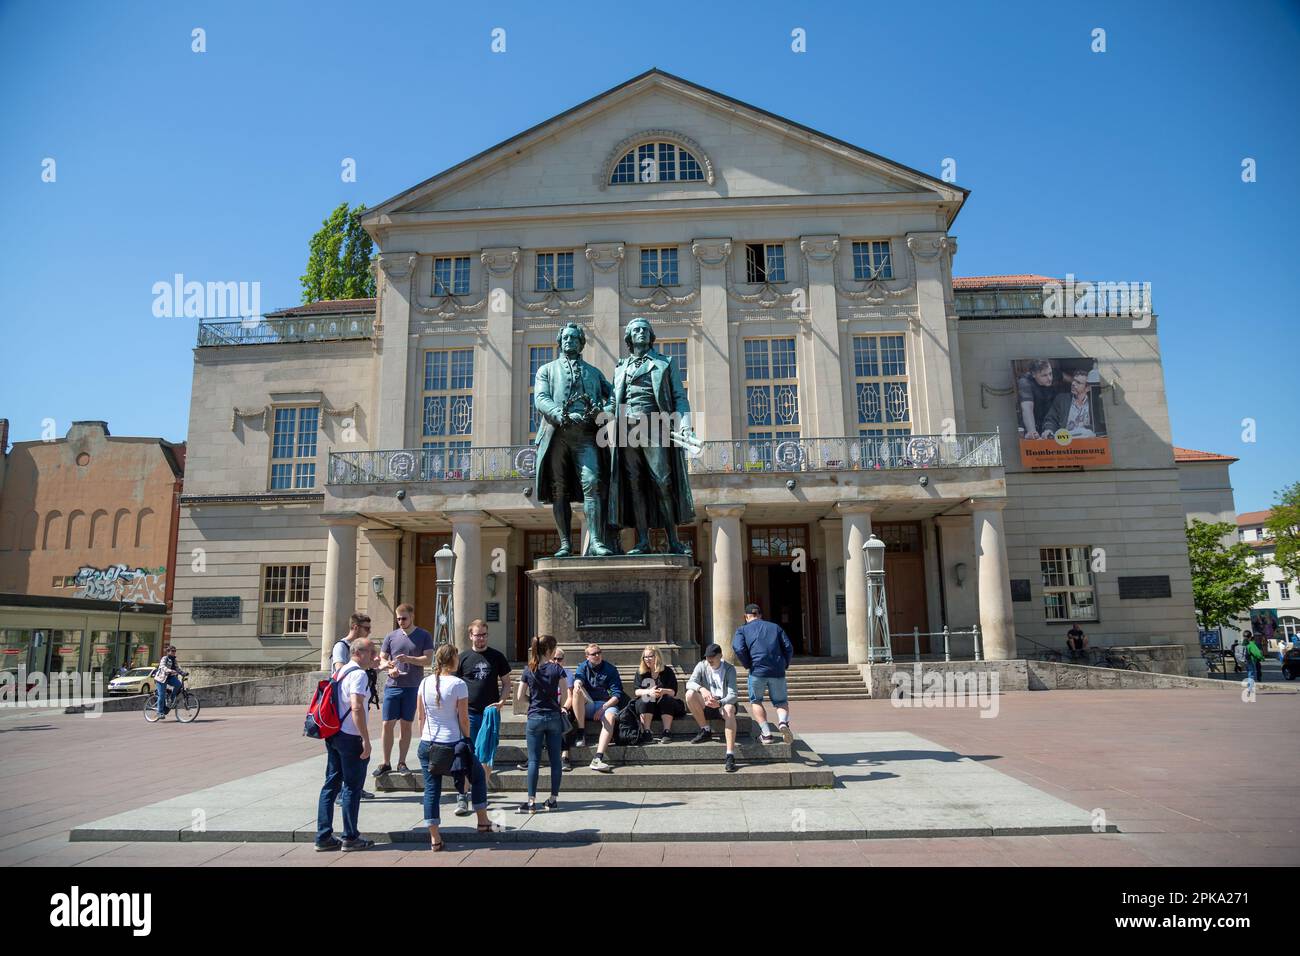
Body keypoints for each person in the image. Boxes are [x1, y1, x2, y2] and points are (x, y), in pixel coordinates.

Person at [415, 644, 492, 850]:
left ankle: (434, 838)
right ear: (453, 660)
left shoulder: (424, 683)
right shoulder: (458, 684)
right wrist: (467, 740)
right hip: (453, 743)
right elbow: (463, 718)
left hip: (428, 743)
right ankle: (482, 821)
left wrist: (425, 736)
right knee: (477, 776)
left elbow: (421, 716)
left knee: (431, 790)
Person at [315, 636, 378, 851]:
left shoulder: (340, 671)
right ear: (358, 653)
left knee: (331, 784)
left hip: (333, 734)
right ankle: (350, 837)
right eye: (371, 652)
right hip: (350, 737)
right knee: (352, 787)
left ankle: (323, 836)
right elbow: (357, 707)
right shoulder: (359, 674)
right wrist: (365, 739)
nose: (375, 656)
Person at [453, 619, 512, 814]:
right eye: (477, 635)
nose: (481, 638)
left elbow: (506, 684)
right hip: (468, 713)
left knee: (486, 756)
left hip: (490, 714)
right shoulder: (462, 658)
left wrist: (502, 702)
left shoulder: (497, 656)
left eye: (484, 635)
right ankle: (463, 795)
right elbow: (454, 686)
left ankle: (481, 793)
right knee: (467, 755)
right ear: (470, 635)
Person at [374, 603, 435, 777]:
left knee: (406, 725)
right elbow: (382, 660)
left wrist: (409, 659)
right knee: (387, 724)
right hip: (392, 686)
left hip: (412, 686)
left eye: (404, 618)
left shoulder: (423, 635)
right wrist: (389, 667)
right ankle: (385, 762)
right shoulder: (391, 636)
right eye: (398, 618)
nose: (401, 621)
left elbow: (428, 659)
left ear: (412, 616)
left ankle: (402, 762)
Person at [515, 634, 568, 813]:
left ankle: (531, 802)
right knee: (555, 761)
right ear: (550, 650)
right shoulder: (557, 669)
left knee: (533, 761)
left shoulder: (528, 669)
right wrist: (560, 707)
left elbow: (519, 697)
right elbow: (565, 694)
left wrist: (532, 701)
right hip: (553, 716)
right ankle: (553, 799)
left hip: (535, 717)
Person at [733, 603, 794, 744]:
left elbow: (738, 648)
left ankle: (766, 734)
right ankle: (783, 722)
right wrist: (784, 664)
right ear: (760, 615)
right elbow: (788, 647)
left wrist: (747, 663)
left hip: (757, 670)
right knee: (781, 702)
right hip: (777, 670)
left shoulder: (742, 630)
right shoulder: (775, 627)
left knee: (756, 700)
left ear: (746, 616)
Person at [685, 643, 740, 772]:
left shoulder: (729, 669)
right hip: (707, 703)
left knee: (729, 709)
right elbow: (690, 683)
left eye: (712, 656)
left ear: (720, 655)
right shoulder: (702, 666)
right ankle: (705, 730)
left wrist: (720, 703)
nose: (709, 659)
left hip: (723, 704)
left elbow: (733, 694)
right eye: (707, 656)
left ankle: (730, 755)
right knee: (690, 694)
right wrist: (702, 689)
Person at [572, 643, 624, 773]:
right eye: (594, 654)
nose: (597, 655)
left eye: (599, 652)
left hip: (606, 704)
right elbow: (579, 678)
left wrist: (603, 708)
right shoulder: (582, 667)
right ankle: (581, 732)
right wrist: (577, 683)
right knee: (576, 690)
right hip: (588, 704)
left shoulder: (610, 669)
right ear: (587, 656)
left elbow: (617, 695)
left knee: (610, 716)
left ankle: (598, 757)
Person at [633, 645, 684, 743]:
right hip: (647, 708)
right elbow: (637, 691)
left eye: (650, 656)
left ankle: (667, 731)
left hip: (664, 707)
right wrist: (649, 692)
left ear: (657, 656)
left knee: (667, 699)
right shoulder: (641, 672)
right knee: (646, 698)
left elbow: (673, 692)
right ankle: (646, 732)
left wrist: (663, 691)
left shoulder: (667, 671)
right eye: (645, 657)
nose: (647, 659)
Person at [1041, 370, 1101, 438]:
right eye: (1074, 380)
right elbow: (1051, 419)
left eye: (1078, 382)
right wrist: (1049, 430)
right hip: (1065, 442)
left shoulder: (1094, 403)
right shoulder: (1061, 399)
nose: (1073, 384)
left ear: (1087, 388)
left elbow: (1098, 426)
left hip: (1087, 442)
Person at [1017, 359, 1056, 440]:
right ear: (1034, 374)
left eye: (1050, 374)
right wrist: (1033, 433)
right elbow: (1027, 408)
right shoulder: (1025, 382)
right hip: (1031, 423)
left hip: (1048, 423)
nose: (1049, 378)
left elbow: (1067, 377)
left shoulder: (1050, 374)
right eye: (1044, 375)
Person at [152, 645, 186, 719]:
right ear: (168, 652)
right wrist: (170, 670)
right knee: (162, 695)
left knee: (178, 684)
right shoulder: (164, 658)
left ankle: (171, 698)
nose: (174, 652)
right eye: (172, 651)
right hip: (161, 678)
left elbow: (177, 668)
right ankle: (159, 712)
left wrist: (183, 673)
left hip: (170, 678)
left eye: (175, 651)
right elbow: (162, 667)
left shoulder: (174, 660)